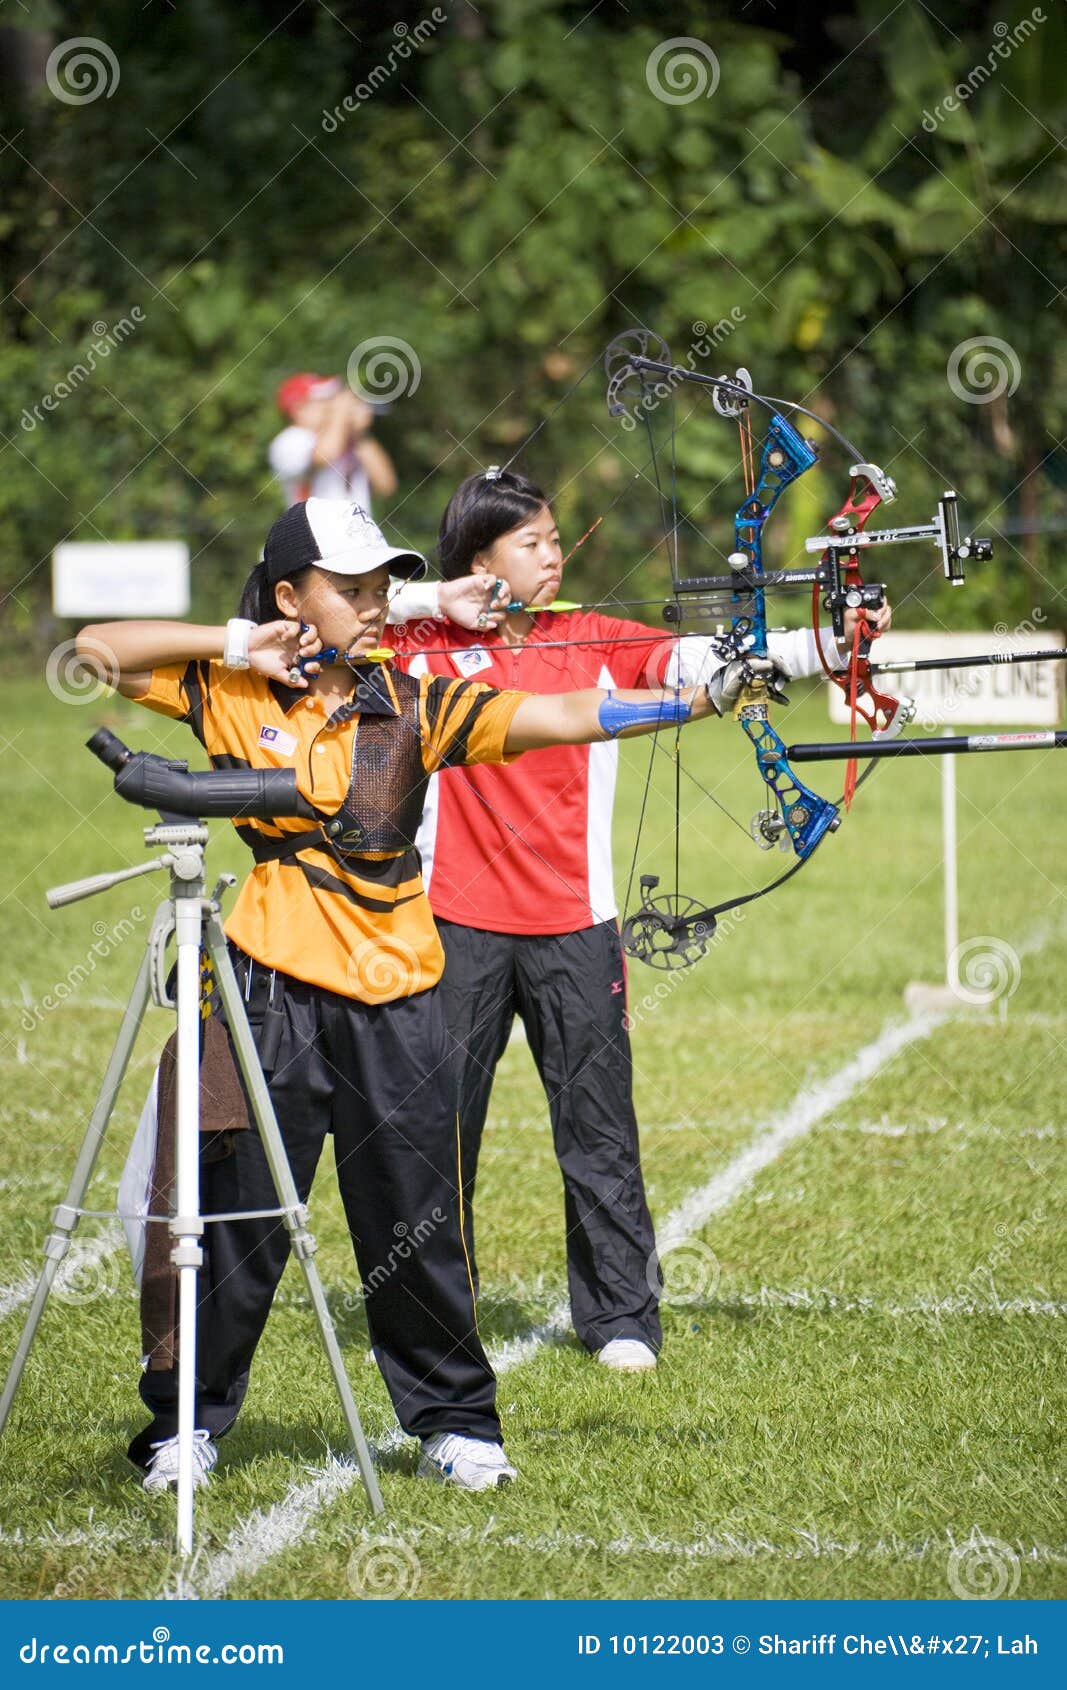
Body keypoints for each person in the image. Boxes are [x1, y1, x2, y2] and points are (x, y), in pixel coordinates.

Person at [74, 497, 753, 1495]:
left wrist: (695, 700)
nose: (376, 604)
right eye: (349, 588)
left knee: (413, 1221)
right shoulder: (225, 687)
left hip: (398, 995)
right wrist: (239, 643)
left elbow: (559, 714)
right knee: (239, 1214)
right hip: (268, 984)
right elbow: (94, 650)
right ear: (288, 596)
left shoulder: (421, 699)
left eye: (380, 586)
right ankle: (190, 1421)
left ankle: (453, 1420)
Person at [389, 468, 892, 1373]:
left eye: (553, 538)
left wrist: (832, 639)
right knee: (438, 1130)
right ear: (479, 560)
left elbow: (713, 664)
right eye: (532, 543)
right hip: (450, 921)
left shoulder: (589, 636)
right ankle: (430, 1314)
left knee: (597, 1127)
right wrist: (435, 597)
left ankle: (620, 1319)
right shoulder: (414, 646)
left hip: (575, 925)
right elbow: (316, 621)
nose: (554, 555)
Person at [269, 373, 397, 510]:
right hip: (316, 530)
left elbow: (386, 486)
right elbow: (326, 455)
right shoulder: (289, 440)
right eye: (323, 400)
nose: (329, 405)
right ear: (298, 409)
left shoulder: (344, 437)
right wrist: (341, 413)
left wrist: (359, 435)